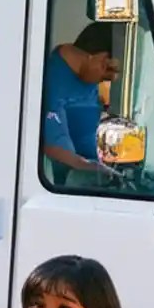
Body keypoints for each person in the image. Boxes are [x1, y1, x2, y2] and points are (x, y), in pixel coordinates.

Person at [42, 22, 122, 187]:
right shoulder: (50, 79)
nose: (112, 79)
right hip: (55, 187)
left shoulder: (87, 78)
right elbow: (53, 145)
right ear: (95, 57)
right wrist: (97, 170)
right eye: (108, 69)